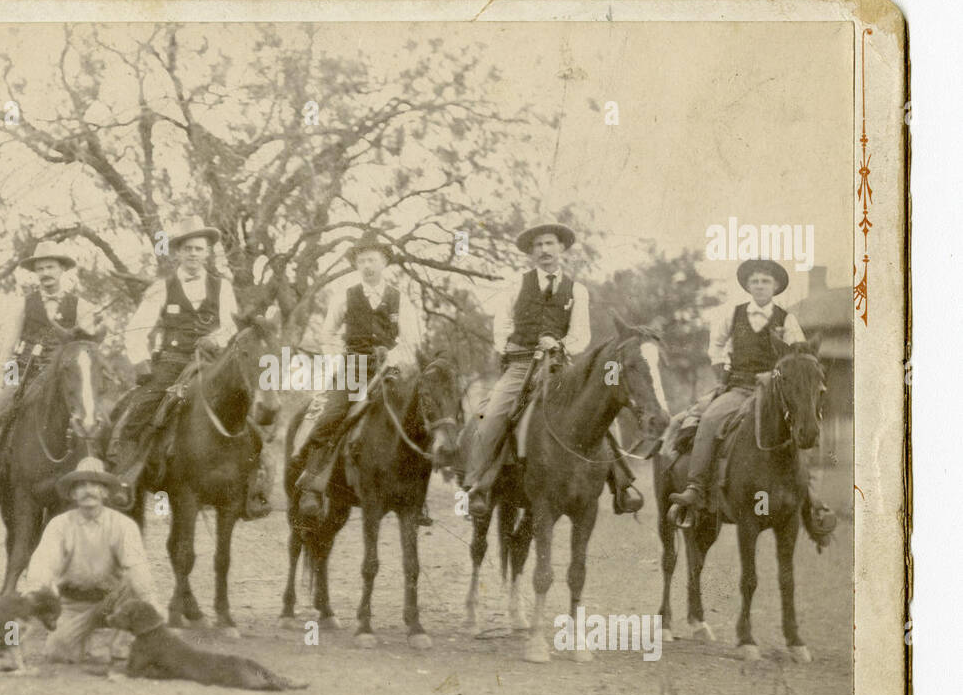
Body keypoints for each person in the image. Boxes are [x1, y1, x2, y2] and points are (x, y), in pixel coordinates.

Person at [462, 221, 643, 519]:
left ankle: (622, 484)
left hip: (561, 368)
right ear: (531, 252)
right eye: (538, 246)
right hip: (521, 365)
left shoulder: (577, 290)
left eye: (549, 244)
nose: (544, 250)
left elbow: (580, 336)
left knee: (604, 415)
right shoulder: (516, 284)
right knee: (491, 414)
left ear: (561, 248)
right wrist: (516, 347)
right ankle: (477, 485)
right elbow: (501, 328)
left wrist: (558, 345)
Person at [667, 258, 835, 530]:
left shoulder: (787, 319)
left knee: (802, 424)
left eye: (765, 281)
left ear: (775, 286)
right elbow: (716, 345)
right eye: (754, 281)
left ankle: (809, 496)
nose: (759, 286)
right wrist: (722, 370)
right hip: (739, 388)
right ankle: (696, 486)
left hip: (775, 392)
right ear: (747, 286)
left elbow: (799, 354)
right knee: (709, 419)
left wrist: (780, 377)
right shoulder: (732, 315)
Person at [0, 246, 101, 514]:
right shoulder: (23, 304)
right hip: (26, 373)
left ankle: (95, 482)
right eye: (40, 269)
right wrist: (2, 381)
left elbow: (86, 346)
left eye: (50, 268)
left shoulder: (82, 306)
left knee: (92, 419)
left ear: (62, 270)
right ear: (35, 273)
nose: (45, 274)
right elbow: (9, 346)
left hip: (64, 378)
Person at [292, 233, 423, 518]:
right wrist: (339, 360)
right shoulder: (345, 296)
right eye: (362, 261)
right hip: (352, 369)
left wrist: (392, 358)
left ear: (384, 262)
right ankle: (312, 483)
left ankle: (415, 492)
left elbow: (410, 341)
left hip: (389, 371)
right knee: (332, 414)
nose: (367, 266)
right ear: (356, 265)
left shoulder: (400, 299)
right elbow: (327, 335)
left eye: (372, 260)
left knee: (415, 416)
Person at [108, 224, 239, 493]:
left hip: (211, 361)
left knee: (242, 404)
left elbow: (232, 325)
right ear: (178, 253)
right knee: (141, 409)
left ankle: (250, 480)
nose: (193, 254)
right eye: (188, 249)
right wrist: (141, 362)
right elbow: (136, 328)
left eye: (199, 249)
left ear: (207, 254)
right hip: (171, 361)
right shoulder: (162, 287)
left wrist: (215, 339)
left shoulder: (222, 286)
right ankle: (123, 475)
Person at [18, 456, 167, 663]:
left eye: (95, 485)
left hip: (113, 601)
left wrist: (152, 602)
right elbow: (43, 562)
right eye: (81, 486)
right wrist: (33, 592)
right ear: (72, 494)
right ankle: (85, 642)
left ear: (105, 492)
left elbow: (137, 567)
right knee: (57, 652)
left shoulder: (123, 525)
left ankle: (119, 644)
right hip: (72, 603)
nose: (88, 490)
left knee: (134, 585)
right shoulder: (59, 525)